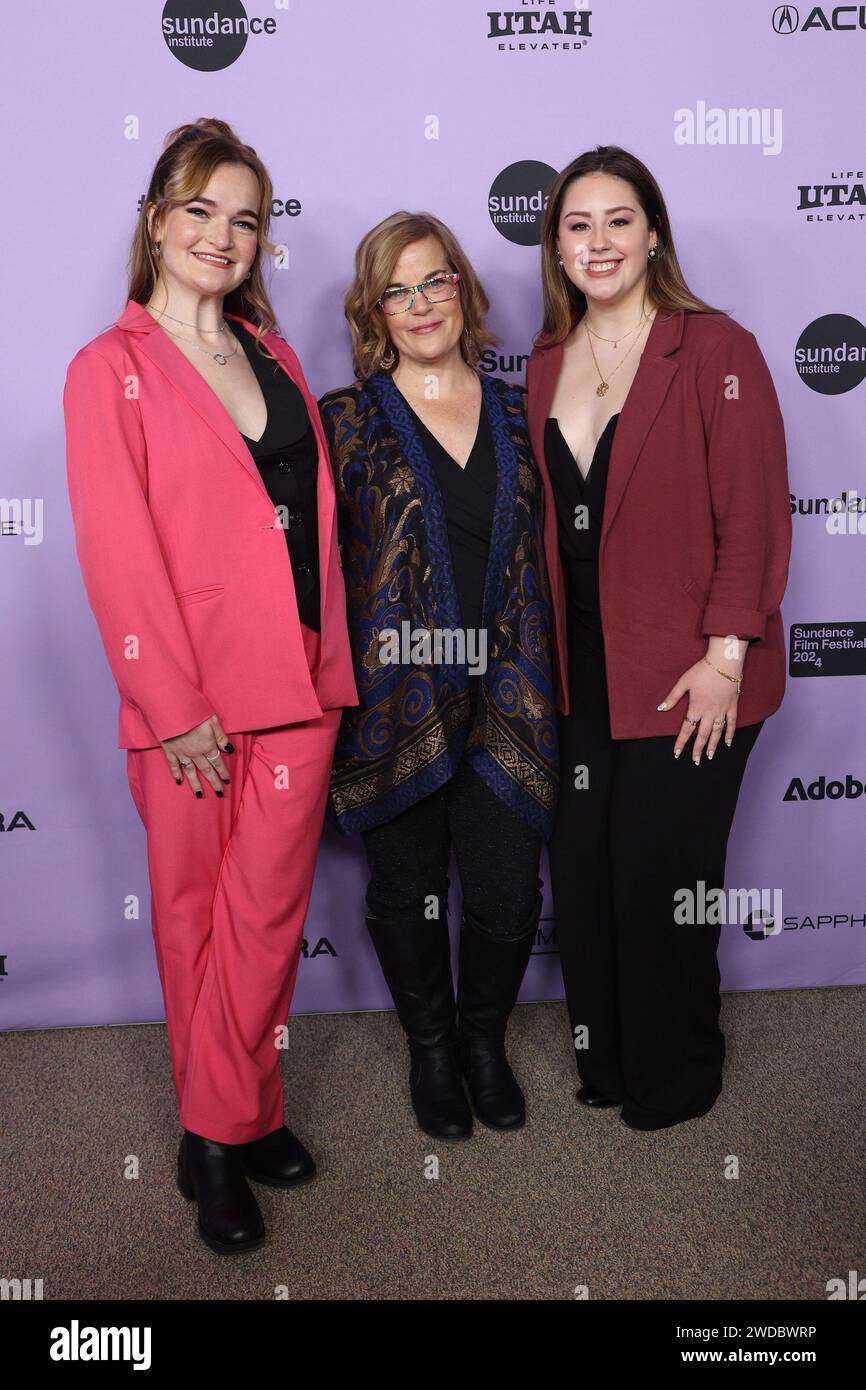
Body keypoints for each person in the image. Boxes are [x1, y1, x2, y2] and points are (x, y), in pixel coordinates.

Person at [62, 119, 357, 1252]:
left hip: (298, 682)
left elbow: (311, 526)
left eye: (244, 219)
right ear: (155, 220)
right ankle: (222, 1140)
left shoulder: (275, 355)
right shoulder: (110, 368)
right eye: (200, 210)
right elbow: (117, 553)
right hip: (184, 703)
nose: (222, 235)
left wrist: (331, 661)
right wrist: (172, 708)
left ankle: (229, 1119)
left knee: (264, 919)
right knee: (191, 923)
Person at [526, 146, 791, 1129]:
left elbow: (752, 515)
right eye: (577, 224)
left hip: (692, 668)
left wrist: (726, 654)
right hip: (581, 667)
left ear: (652, 233)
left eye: (617, 220)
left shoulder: (714, 349)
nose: (598, 242)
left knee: (660, 875)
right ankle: (608, 1061)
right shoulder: (546, 361)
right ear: (554, 245)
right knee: (587, 869)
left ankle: (674, 1074)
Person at [319, 212, 558, 1139]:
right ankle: (430, 1051)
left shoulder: (519, 407)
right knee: (405, 888)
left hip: (510, 695)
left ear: (464, 287)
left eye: (436, 281)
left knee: (506, 896)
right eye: (398, 289)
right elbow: (313, 564)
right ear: (375, 309)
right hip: (394, 705)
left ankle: (483, 1043)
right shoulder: (345, 421)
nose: (421, 304)